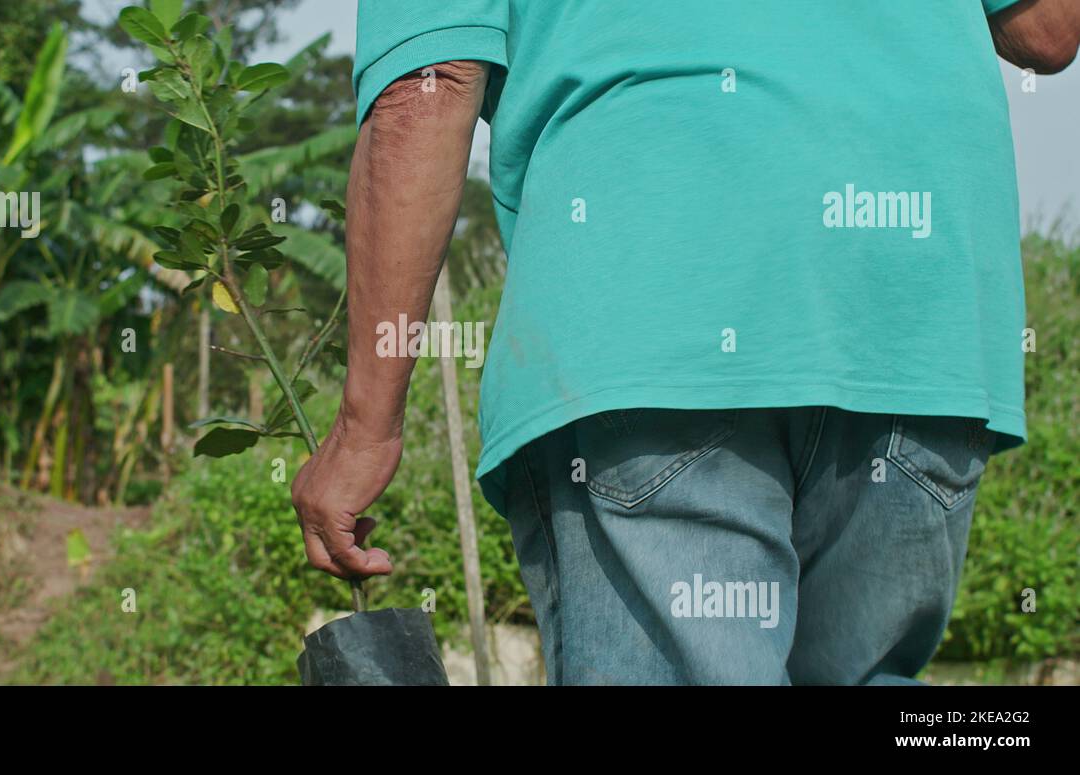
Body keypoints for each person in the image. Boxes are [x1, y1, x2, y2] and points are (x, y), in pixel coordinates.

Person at [290, 0, 1080, 684]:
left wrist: (366, 425)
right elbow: (1050, 27)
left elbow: (421, 95)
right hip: (914, 305)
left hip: (657, 315)